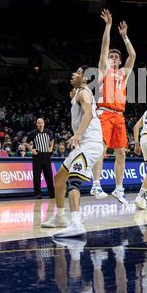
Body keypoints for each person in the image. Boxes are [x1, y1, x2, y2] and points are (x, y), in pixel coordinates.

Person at [42, 67, 103, 238]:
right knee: (59, 178)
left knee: (73, 181)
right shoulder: (78, 92)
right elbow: (73, 92)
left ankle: (76, 223)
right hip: (83, 143)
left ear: (84, 79)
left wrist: (78, 134)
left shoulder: (84, 93)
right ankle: (60, 217)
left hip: (90, 143)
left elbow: (89, 114)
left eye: (77, 73)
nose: (72, 74)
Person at [91, 9, 136, 203]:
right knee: (101, 150)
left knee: (121, 153)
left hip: (119, 115)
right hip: (105, 113)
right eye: (112, 56)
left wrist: (125, 38)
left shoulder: (123, 74)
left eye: (117, 57)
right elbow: (104, 47)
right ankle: (96, 185)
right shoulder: (104, 70)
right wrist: (108, 26)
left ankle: (119, 189)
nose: (115, 58)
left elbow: (132, 56)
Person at [26, 118, 55, 199]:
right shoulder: (33, 133)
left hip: (46, 156)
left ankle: (52, 193)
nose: (40, 124)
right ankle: (38, 194)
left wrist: (51, 147)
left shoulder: (49, 132)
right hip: (37, 156)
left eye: (41, 122)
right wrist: (31, 150)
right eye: (38, 123)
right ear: (36, 124)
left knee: (49, 175)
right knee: (37, 176)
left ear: (44, 123)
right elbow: (26, 143)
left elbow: (52, 140)